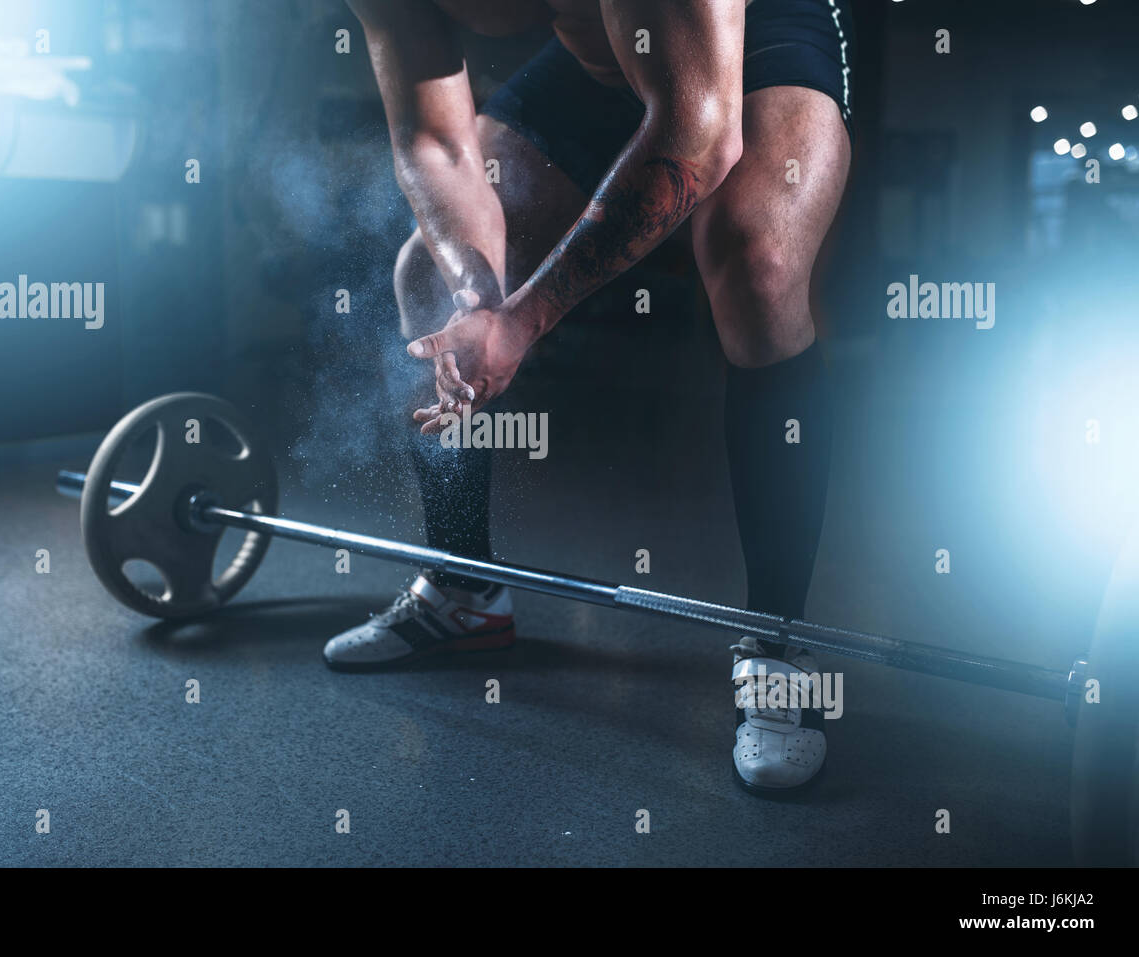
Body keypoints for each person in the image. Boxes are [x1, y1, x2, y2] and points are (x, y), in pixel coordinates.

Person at [325, 0, 854, 795]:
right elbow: (435, 141)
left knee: (759, 262)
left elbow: (701, 137)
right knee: (430, 278)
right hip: (604, 56)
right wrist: (478, 303)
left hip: (756, 41)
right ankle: (463, 590)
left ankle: (778, 646)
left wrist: (525, 317)